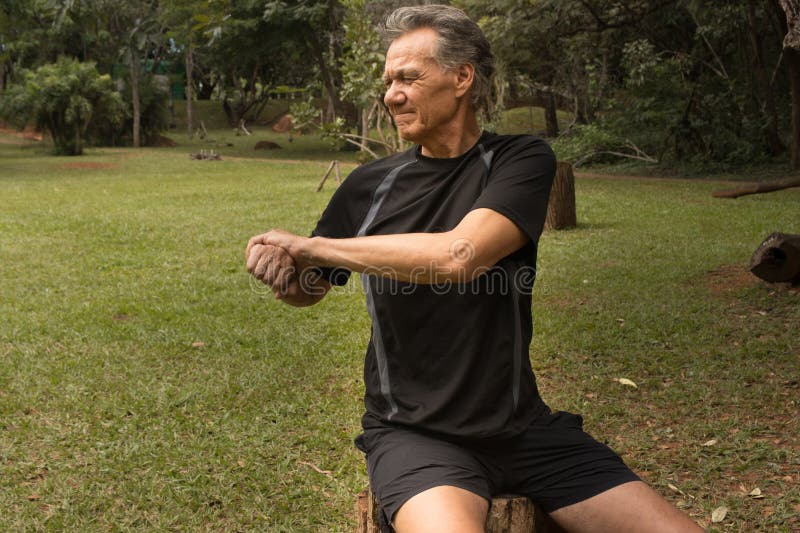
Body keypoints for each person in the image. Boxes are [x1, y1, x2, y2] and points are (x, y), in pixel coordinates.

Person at [246, 5, 703, 533]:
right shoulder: (368, 186)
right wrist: (284, 271)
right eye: (388, 80)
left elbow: (459, 256)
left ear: (462, 77)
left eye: (408, 78)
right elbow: (311, 288)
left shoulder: (520, 160)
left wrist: (316, 247)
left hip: (524, 429)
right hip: (415, 435)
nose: (391, 93)